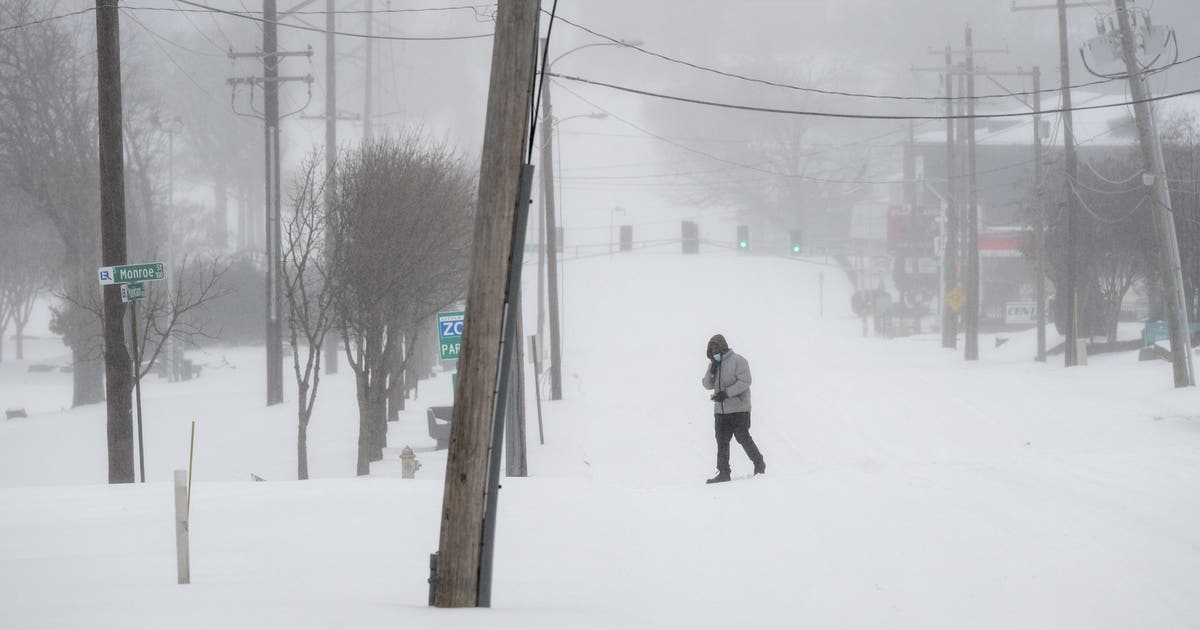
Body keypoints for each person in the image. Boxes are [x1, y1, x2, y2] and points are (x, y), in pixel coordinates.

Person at [701, 334, 765, 483]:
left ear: (723, 346)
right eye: (711, 348)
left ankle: (759, 464)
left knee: (742, 437)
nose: (714, 350)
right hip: (720, 411)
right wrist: (711, 370)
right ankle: (723, 472)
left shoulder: (738, 361)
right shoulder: (713, 364)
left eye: (716, 347)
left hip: (739, 409)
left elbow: (745, 381)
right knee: (721, 441)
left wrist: (727, 393)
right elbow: (707, 385)